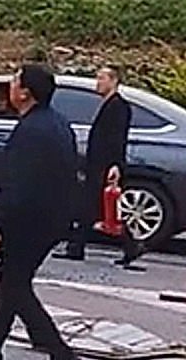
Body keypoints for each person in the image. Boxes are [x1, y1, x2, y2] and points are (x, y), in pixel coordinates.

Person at [0, 64, 79, 360]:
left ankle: (59, 351)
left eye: (14, 82)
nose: (10, 87)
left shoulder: (30, 131)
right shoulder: (59, 124)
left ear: (25, 92)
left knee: (14, 287)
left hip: (28, 223)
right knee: (12, 285)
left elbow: (17, 183)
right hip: (52, 220)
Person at [57, 66, 142, 266]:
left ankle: (129, 245)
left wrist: (115, 165)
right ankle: (77, 246)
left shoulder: (119, 107)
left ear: (114, 81)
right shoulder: (109, 105)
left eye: (102, 78)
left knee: (102, 206)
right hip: (98, 163)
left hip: (106, 165)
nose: (98, 82)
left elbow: (117, 138)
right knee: (95, 207)